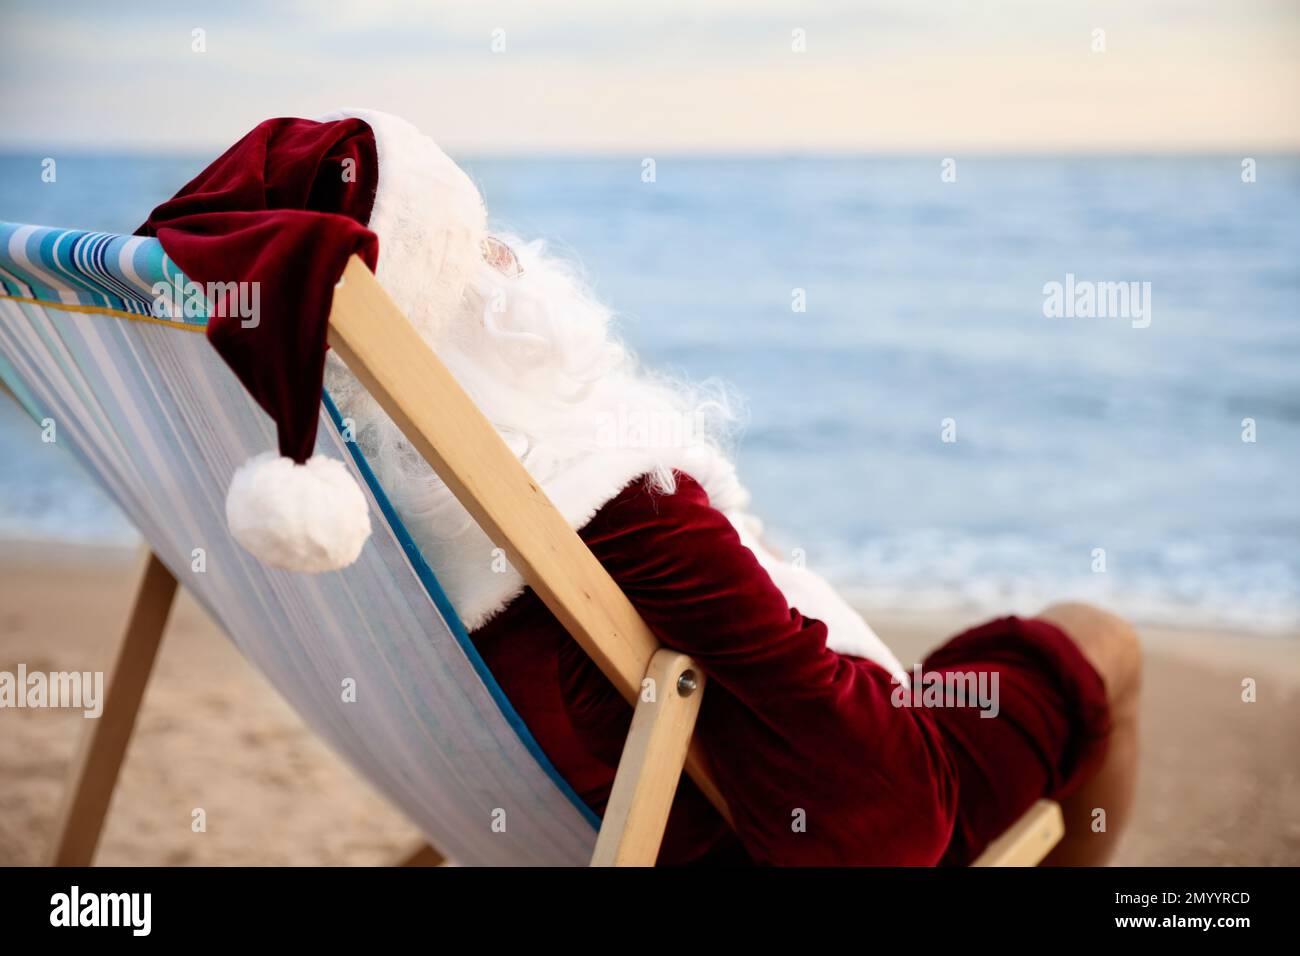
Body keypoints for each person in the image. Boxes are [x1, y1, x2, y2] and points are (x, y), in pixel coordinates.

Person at [320, 110, 1141, 866]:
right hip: (749, 834)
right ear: (453, 300)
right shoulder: (604, 503)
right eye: (480, 244)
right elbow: (888, 820)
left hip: (570, 811)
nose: (513, 255)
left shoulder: (355, 513)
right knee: (1100, 637)